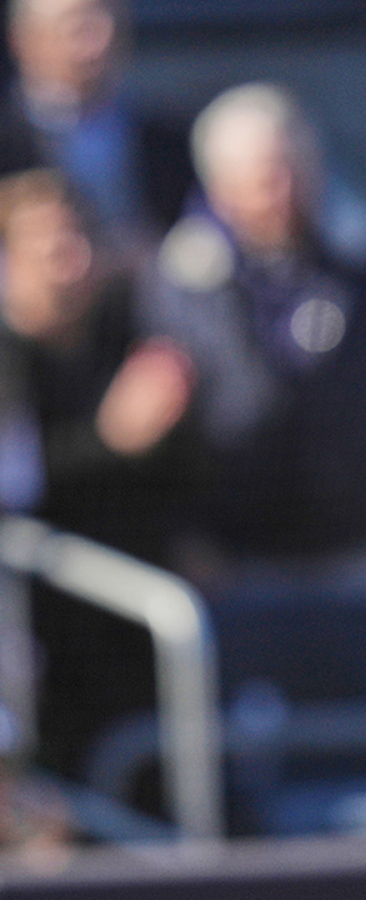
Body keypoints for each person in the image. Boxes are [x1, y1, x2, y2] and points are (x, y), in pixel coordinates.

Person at [137, 81, 366, 588]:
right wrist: (185, 536)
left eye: (291, 169)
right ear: (219, 188)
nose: (281, 192)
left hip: (365, 548)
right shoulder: (179, 281)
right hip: (237, 561)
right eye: (261, 179)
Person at [0, 167, 193, 789]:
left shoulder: (128, 335)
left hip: (131, 634)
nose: (71, 260)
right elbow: (20, 484)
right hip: (34, 635)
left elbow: (173, 466)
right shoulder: (10, 357)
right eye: (49, 247)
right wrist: (112, 441)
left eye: (79, 240)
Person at [5, 0, 191, 255]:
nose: (102, 41)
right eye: (81, 27)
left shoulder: (169, 141)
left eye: (111, 23)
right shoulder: (8, 142)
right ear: (23, 40)